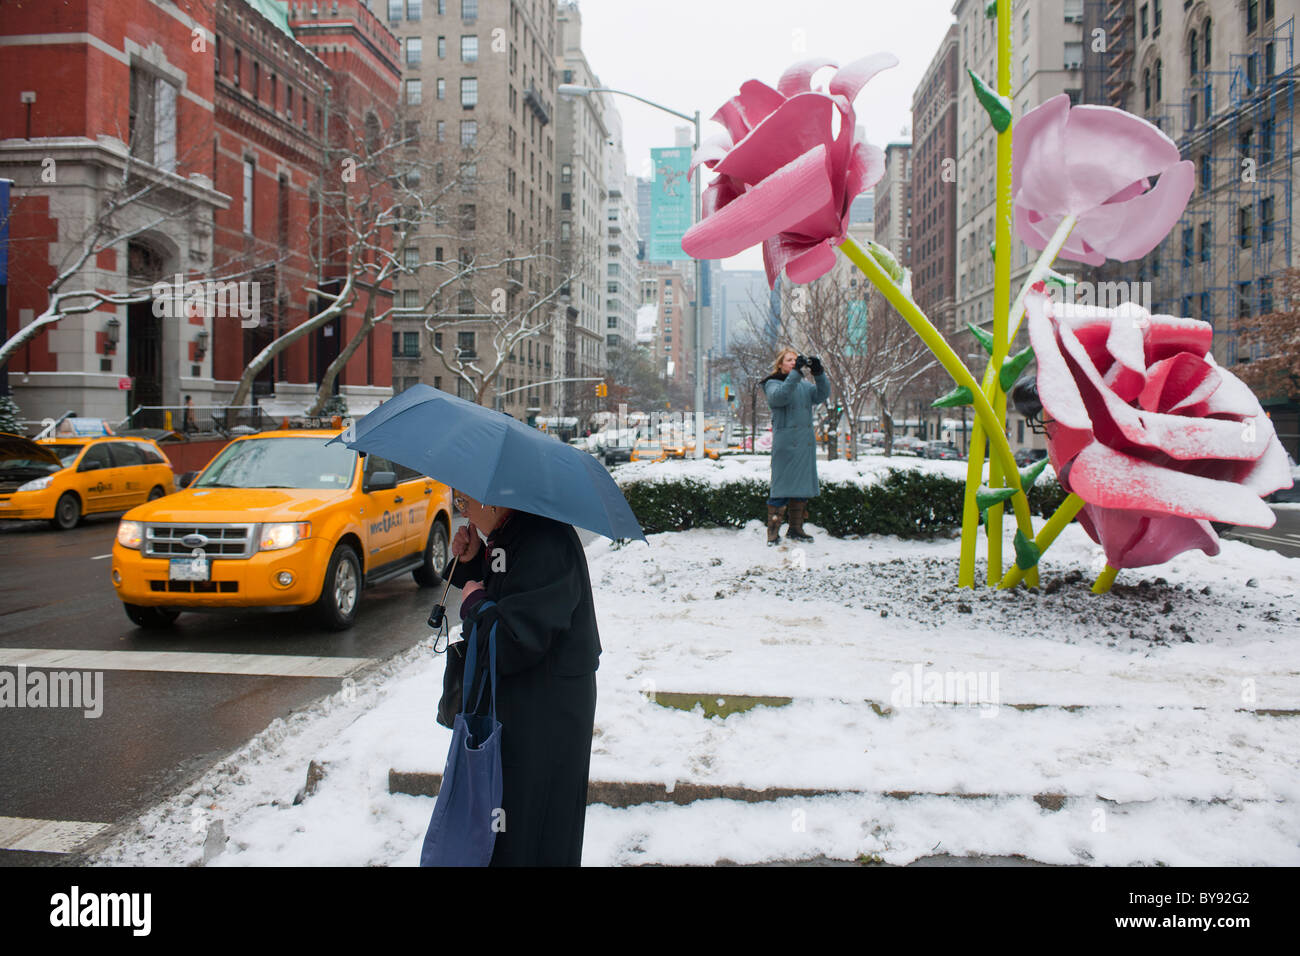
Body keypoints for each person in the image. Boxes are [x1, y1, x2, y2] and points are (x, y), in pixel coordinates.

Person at [444, 491, 600, 867]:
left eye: (465, 503)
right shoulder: (514, 530)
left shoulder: (546, 541)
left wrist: (475, 605)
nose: (463, 512)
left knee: (536, 824)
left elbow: (517, 637)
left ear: (494, 500)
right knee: (508, 822)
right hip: (520, 702)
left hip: (546, 711)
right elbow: (506, 589)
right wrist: (470, 563)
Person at [762, 348, 830, 545]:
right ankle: (773, 534)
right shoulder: (773, 383)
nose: (793, 363)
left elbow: (822, 395)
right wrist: (795, 373)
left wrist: (819, 373)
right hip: (786, 444)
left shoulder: (804, 385)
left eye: (795, 360)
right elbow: (780, 397)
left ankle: (796, 529)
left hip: (804, 444)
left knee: (800, 489)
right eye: (789, 360)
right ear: (780, 364)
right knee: (780, 489)